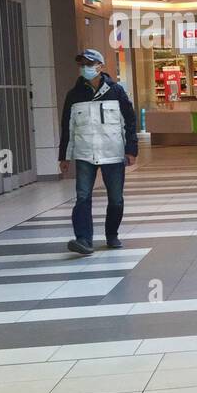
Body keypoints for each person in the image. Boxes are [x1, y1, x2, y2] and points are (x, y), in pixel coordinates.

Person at [58, 49, 138, 255]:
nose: (86, 68)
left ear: (100, 66)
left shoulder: (116, 91)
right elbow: (67, 127)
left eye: (90, 64)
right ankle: (83, 239)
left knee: (116, 199)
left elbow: (130, 121)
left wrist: (131, 149)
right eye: (82, 64)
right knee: (82, 196)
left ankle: (112, 234)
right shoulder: (74, 95)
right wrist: (64, 156)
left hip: (112, 152)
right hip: (85, 154)